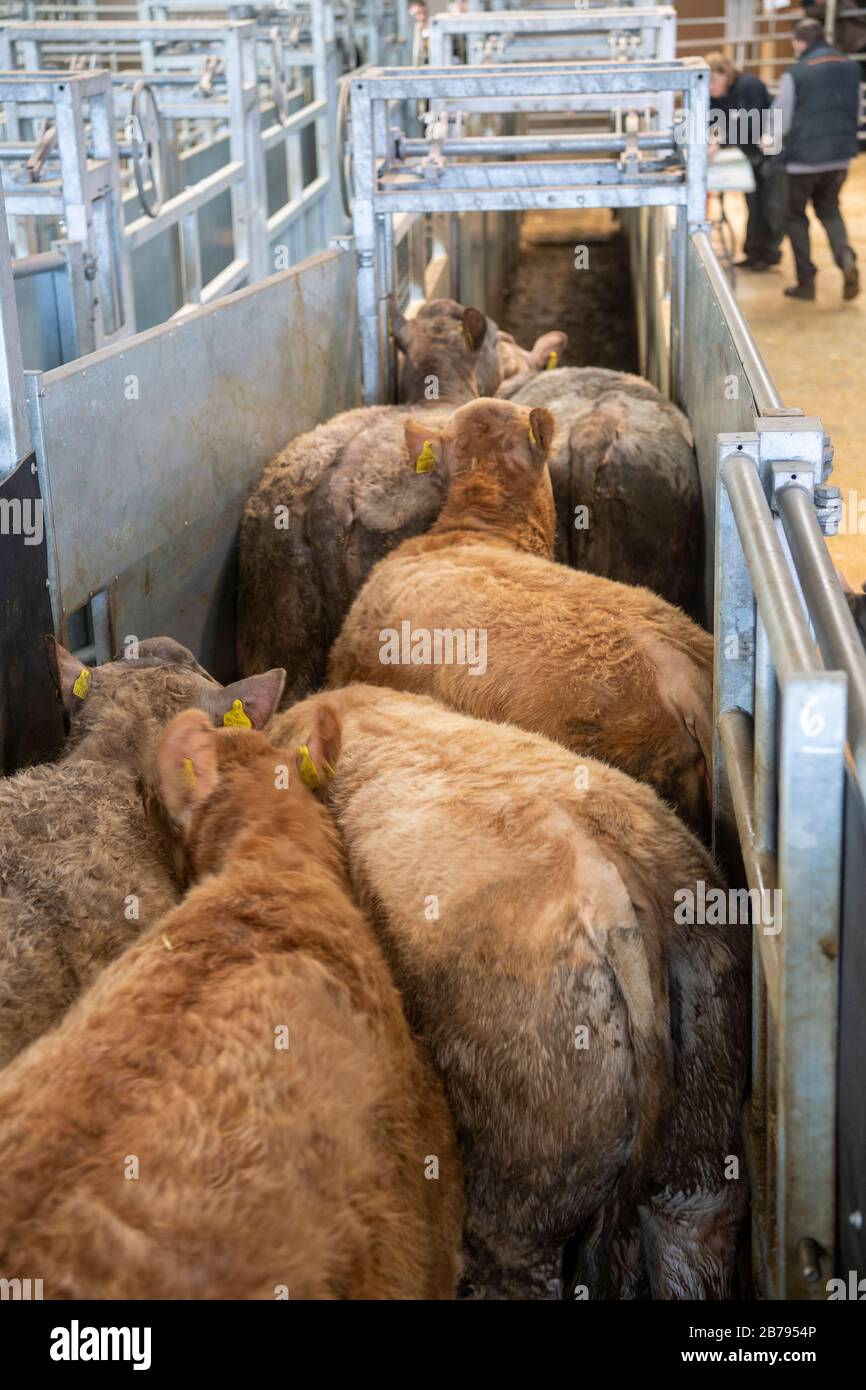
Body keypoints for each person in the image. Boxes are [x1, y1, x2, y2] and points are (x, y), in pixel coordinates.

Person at [773, 18, 861, 301]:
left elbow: (780, 122)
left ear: (800, 42)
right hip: (840, 157)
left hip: (802, 161)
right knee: (830, 209)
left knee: (795, 217)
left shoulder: (796, 73)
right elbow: (857, 109)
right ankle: (844, 256)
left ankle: (806, 282)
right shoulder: (851, 67)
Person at [706, 52, 787, 270]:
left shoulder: (748, 86)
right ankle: (753, 253)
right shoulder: (717, 98)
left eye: (713, 81)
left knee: (773, 204)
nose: (710, 87)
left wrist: (720, 142)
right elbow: (712, 122)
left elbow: (750, 125)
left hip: (773, 153)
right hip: (752, 156)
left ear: (725, 74)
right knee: (754, 204)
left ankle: (770, 254)